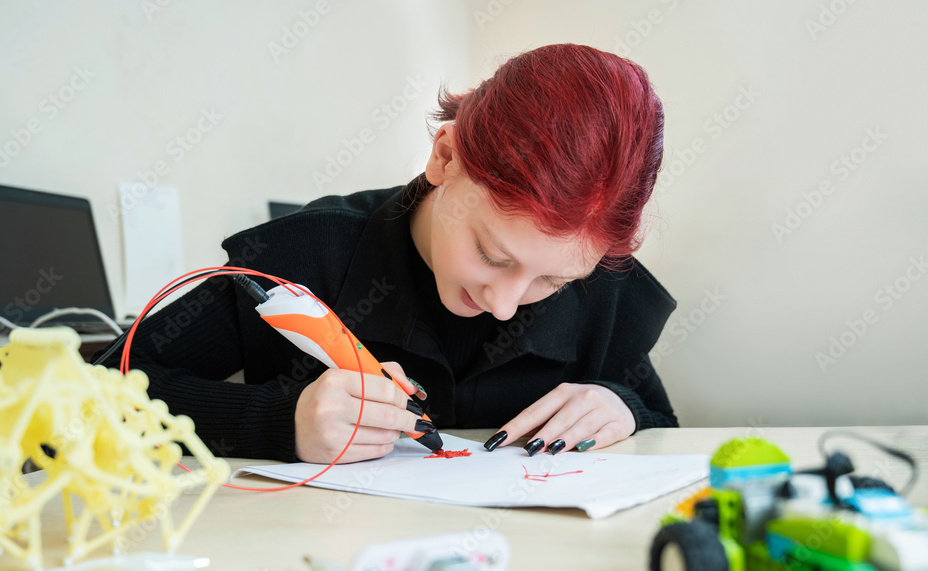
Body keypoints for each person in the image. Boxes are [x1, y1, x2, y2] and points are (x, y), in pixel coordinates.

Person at [95, 43, 678, 464]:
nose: (505, 307)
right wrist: (279, 422)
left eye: (549, 282)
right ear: (446, 157)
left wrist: (621, 406)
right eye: (492, 254)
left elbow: (660, 422)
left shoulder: (598, 283)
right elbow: (81, 395)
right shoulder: (305, 256)